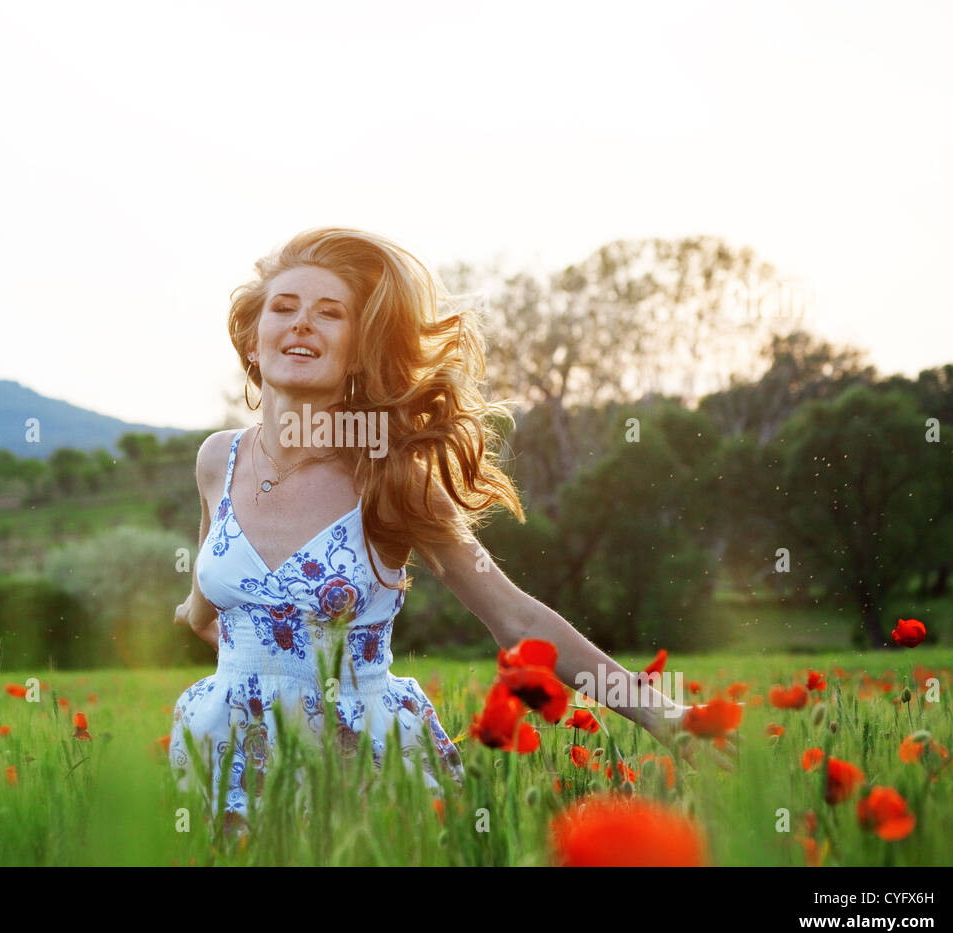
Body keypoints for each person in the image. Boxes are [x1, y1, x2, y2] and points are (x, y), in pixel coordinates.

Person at [170, 226, 700, 837]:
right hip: (230, 744)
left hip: (358, 760)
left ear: (358, 352)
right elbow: (205, 605)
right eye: (283, 308)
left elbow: (518, 621)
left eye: (329, 314)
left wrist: (664, 715)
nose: (301, 324)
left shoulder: (392, 475)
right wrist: (246, 658)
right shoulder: (219, 459)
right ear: (253, 344)